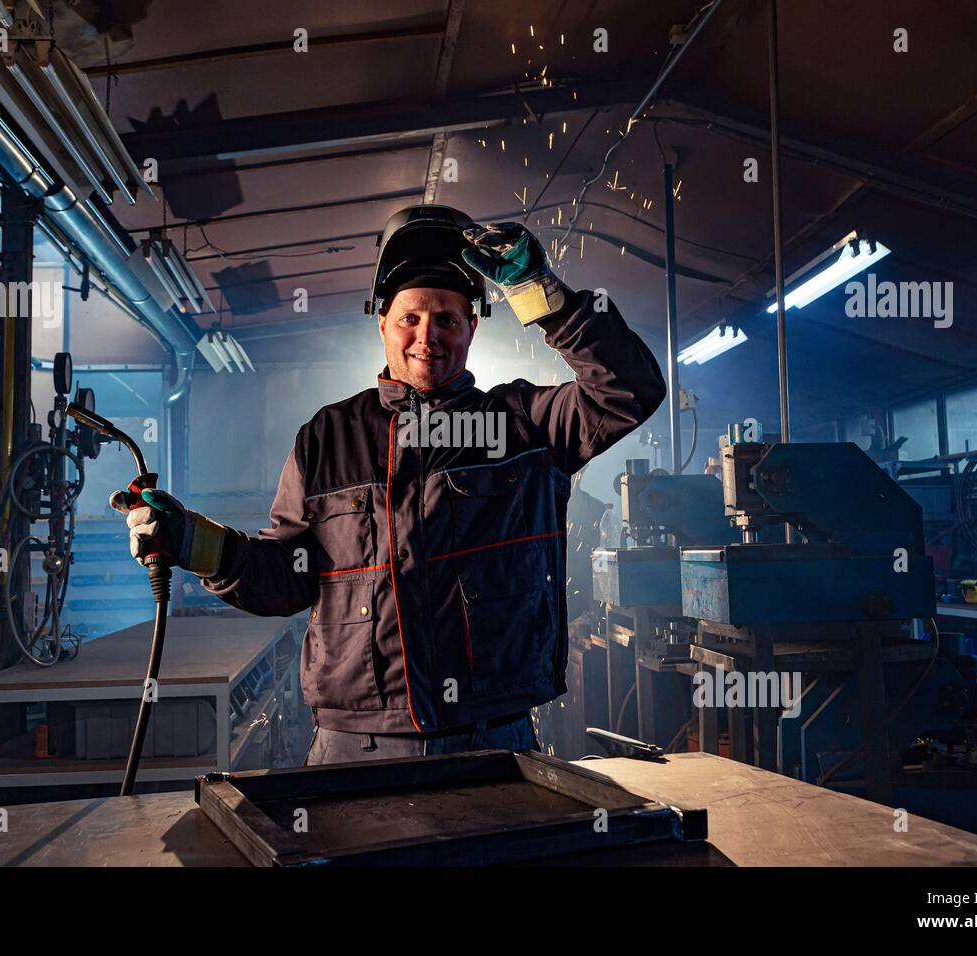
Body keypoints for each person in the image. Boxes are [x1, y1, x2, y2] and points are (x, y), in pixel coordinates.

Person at [112, 206, 666, 764]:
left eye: (447, 319)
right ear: (382, 323)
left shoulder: (523, 424)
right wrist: (192, 543)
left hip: (493, 743)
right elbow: (286, 577)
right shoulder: (327, 437)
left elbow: (629, 390)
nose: (428, 336)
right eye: (411, 319)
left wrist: (538, 292)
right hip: (354, 747)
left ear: (473, 326)